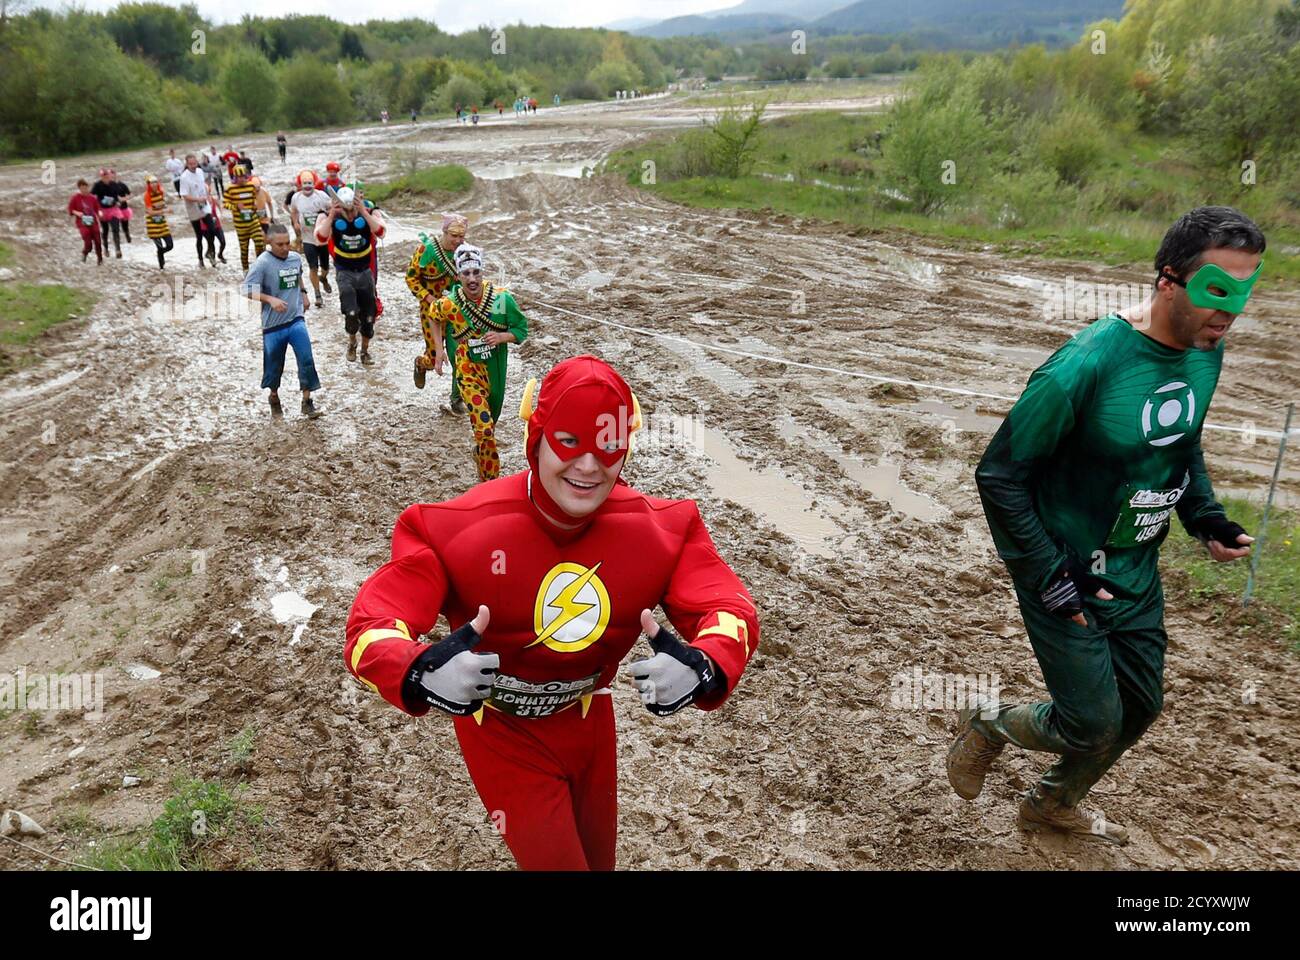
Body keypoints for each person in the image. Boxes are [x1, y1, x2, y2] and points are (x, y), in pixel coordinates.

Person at [343, 354, 761, 871]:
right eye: (569, 443)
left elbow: (728, 605)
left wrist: (706, 661)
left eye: (608, 448)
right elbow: (372, 625)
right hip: (501, 730)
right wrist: (416, 667)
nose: (589, 467)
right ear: (535, 438)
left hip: (590, 721)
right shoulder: (453, 530)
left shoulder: (664, 531)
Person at [951, 206, 1265, 845]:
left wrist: (1203, 515)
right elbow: (1000, 477)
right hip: (1064, 569)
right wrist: (1048, 575)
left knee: (1140, 708)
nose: (1230, 307)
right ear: (1168, 280)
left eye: (1245, 289)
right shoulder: (1085, 364)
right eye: (1217, 289)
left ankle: (1051, 802)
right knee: (1092, 722)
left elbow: (1181, 439)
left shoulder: (1208, 350)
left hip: (1135, 568)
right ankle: (991, 724)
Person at [427, 244, 527, 481]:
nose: (472, 279)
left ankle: (481, 452)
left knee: (490, 424)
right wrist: (439, 350)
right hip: (467, 370)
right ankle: (491, 481)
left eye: (476, 273)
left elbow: (521, 329)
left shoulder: (501, 300)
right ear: (458, 275)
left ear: (483, 273)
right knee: (483, 428)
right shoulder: (450, 302)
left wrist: (502, 336)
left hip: (495, 369)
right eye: (466, 274)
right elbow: (433, 314)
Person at [242, 222, 322, 421]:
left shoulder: (295, 258)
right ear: (269, 243)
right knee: (274, 366)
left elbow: (299, 276)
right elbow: (246, 289)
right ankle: (274, 397)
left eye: (288, 243)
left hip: (295, 319)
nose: (286, 248)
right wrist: (270, 299)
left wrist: (303, 293)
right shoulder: (263, 263)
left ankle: (307, 401)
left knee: (306, 358)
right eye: (280, 245)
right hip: (273, 325)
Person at [314, 185, 385, 365]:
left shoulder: (367, 214)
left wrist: (363, 212)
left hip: (364, 271)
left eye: (353, 209)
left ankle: (365, 351)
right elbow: (320, 239)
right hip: (344, 272)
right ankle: (352, 342)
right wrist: (331, 215)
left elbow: (381, 232)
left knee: (369, 314)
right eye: (347, 210)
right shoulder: (329, 217)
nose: (351, 214)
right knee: (351, 312)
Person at [407, 213, 467, 411]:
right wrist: (428, 298)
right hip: (430, 310)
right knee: (434, 359)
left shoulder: (464, 252)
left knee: (460, 355)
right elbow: (411, 278)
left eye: (461, 236)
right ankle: (421, 364)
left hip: (455, 310)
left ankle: (456, 398)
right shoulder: (427, 249)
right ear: (444, 232)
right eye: (454, 236)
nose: (458, 241)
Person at [289, 170, 332, 302]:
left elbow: (332, 210)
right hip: (307, 238)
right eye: (305, 183)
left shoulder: (322, 196)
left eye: (310, 183)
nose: (307, 186)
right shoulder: (296, 197)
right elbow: (294, 211)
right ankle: (317, 294)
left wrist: (327, 219)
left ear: (314, 183)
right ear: (300, 184)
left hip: (322, 238)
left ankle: (323, 278)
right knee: (312, 266)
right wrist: (295, 223)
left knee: (325, 266)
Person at [179, 153, 218, 268]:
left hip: (204, 206)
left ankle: (210, 252)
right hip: (193, 209)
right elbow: (184, 195)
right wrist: (197, 199)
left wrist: (208, 193)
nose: (193, 166)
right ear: (187, 164)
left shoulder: (200, 171)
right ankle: (201, 260)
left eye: (195, 163)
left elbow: (203, 185)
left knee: (212, 230)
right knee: (199, 236)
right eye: (190, 164)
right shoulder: (184, 177)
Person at [224, 164, 264, 272]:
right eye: (239, 177)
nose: (242, 179)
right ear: (235, 177)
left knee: (260, 242)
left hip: (253, 220)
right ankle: (245, 269)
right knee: (244, 248)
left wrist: (255, 204)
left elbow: (254, 198)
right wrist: (235, 206)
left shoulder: (251, 186)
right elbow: (225, 204)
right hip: (240, 224)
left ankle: (260, 266)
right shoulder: (230, 189)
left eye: (243, 177)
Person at [67, 179, 103, 264]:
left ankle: (100, 259)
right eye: (82, 188)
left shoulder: (92, 198)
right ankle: (85, 253)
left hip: (93, 221)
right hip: (82, 222)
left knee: (98, 240)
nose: (84, 190)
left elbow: (98, 209)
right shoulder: (75, 198)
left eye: (86, 188)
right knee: (88, 242)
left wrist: (100, 213)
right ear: (79, 188)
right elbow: (70, 209)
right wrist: (77, 213)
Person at [91, 168, 124, 259]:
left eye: (107, 176)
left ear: (110, 176)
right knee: (105, 230)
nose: (106, 178)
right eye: (104, 177)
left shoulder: (114, 185)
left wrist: (118, 202)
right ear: (101, 177)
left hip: (113, 209)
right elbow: (92, 196)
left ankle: (118, 249)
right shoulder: (97, 185)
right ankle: (106, 248)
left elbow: (118, 196)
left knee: (116, 229)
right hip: (102, 210)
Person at [142, 175, 174, 270]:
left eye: (155, 182)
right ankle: (161, 267)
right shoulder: (147, 195)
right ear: (149, 185)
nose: (154, 184)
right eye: (152, 183)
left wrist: (167, 208)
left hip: (162, 222)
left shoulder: (161, 192)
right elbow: (150, 211)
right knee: (159, 246)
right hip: (153, 224)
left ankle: (160, 253)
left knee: (170, 245)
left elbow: (163, 204)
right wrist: (164, 211)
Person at [110, 169, 133, 244]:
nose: (111, 177)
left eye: (112, 175)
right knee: (115, 228)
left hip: (123, 209)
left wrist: (123, 199)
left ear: (115, 175)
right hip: (113, 210)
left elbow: (130, 194)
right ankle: (117, 243)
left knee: (125, 226)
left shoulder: (122, 185)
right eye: (109, 176)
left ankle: (127, 235)